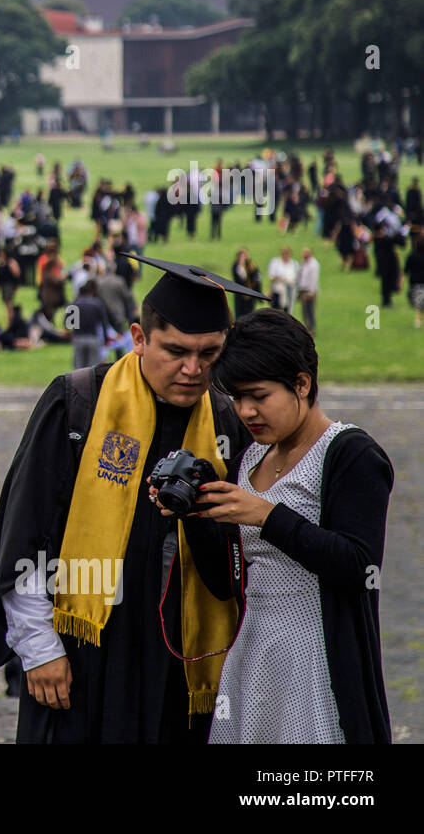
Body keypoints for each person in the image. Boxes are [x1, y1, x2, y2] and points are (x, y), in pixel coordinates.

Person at [0, 254, 268, 742]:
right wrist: (40, 648)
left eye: (209, 353)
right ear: (138, 337)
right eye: (175, 351)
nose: (193, 369)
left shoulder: (229, 423)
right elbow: (26, 534)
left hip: (182, 662)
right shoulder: (77, 404)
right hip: (82, 650)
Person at [182, 308, 393, 743]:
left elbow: (358, 565)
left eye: (258, 395)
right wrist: (196, 517)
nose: (246, 411)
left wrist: (266, 515)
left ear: (302, 383)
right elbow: (226, 583)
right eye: (236, 399)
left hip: (319, 666)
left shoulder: (350, 454)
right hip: (254, 660)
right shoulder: (248, 459)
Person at [296, 247, 320, 335]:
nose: (304, 254)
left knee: (310, 311)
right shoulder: (303, 263)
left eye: (306, 253)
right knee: (304, 311)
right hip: (302, 290)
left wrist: (311, 292)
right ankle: (307, 328)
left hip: (309, 291)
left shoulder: (313, 264)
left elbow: (314, 279)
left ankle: (312, 329)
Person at [267, 245, 298, 314]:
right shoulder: (275, 262)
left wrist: (283, 279)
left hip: (288, 291)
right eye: (283, 253)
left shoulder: (294, 264)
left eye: (287, 253)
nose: (285, 255)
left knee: (287, 312)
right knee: (275, 312)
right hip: (277, 290)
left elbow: (294, 279)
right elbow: (271, 277)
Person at [406, 236, 424, 328]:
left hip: (415, 284)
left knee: (418, 305)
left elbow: (406, 270)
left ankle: (418, 320)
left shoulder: (411, 256)